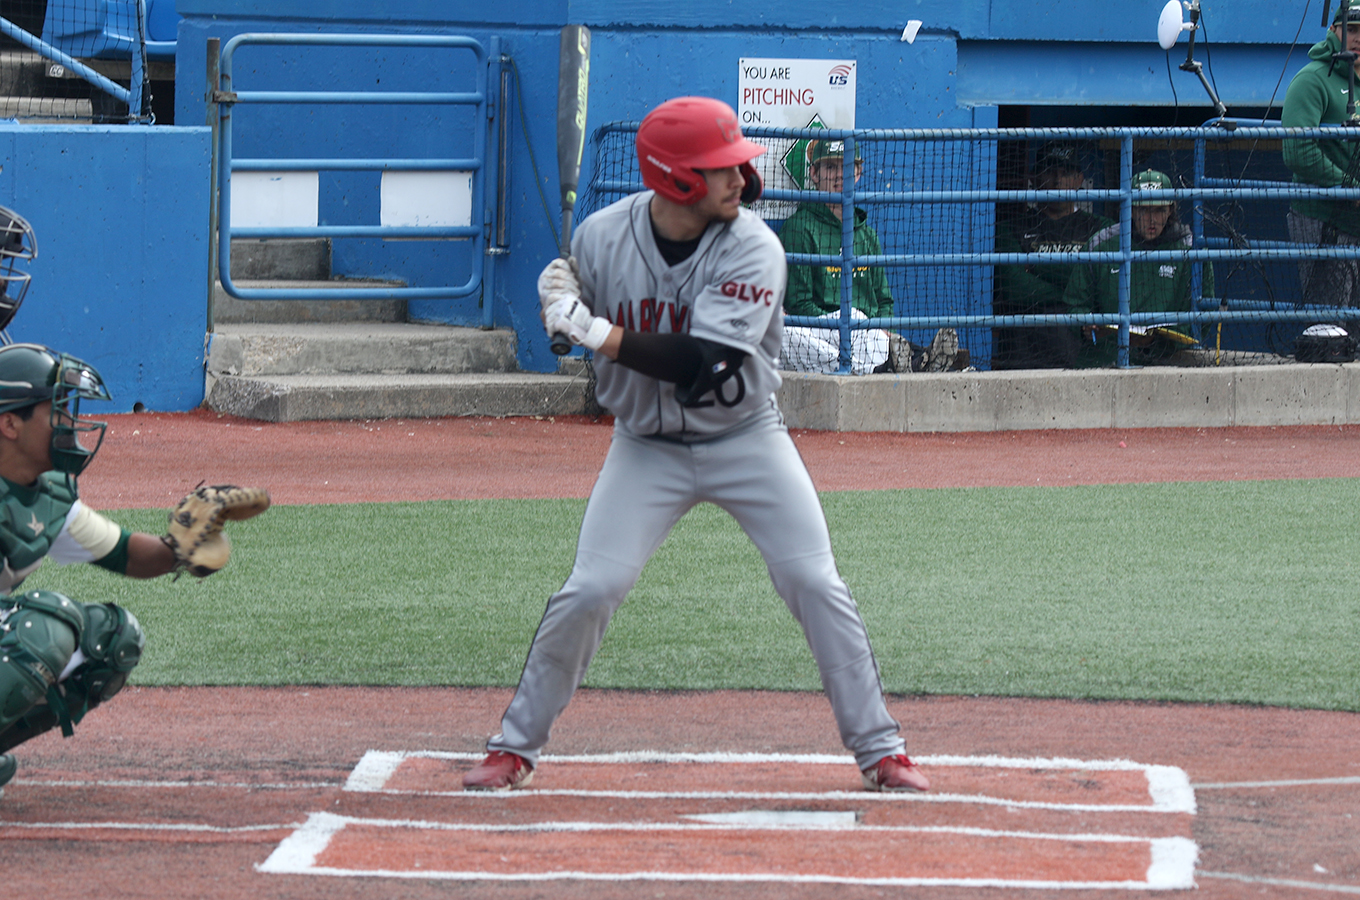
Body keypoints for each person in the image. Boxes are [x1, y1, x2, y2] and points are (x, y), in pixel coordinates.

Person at [462, 96, 928, 794]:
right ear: (675, 179)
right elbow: (574, 285)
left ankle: (882, 749)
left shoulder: (755, 247)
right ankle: (514, 745)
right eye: (722, 168)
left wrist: (589, 330)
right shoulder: (599, 237)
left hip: (746, 437)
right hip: (644, 446)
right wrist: (559, 288)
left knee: (813, 581)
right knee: (592, 587)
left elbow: (703, 363)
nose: (741, 179)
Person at [0, 342, 265, 798]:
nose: (70, 424)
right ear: (9, 424)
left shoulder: (45, 494)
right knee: (42, 628)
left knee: (111, 639)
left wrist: (180, 547)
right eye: (57, 411)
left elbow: (124, 552)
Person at [779, 138, 957, 375]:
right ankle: (914, 361)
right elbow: (799, 304)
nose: (839, 175)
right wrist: (851, 327)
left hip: (871, 336)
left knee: (864, 326)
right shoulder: (800, 227)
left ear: (859, 172)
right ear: (814, 174)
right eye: (831, 167)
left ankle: (904, 361)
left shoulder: (867, 234)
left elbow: (884, 301)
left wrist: (879, 328)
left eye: (847, 167)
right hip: (822, 331)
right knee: (842, 319)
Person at [1062, 169, 1215, 368]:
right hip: (1103, 360)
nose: (1151, 219)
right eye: (1144, 209)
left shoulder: (1192, 251)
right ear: (1131, 209)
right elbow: (1075, 304)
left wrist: (1156, 342)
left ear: (1170, 210)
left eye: (1159, 210)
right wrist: (1086, 324)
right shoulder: (1102, 244)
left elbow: (1204, 315)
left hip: (1168, 364)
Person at [993, 142, 1113, 369]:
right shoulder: (1010, 228)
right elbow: (1014, 288)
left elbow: (1102, 284)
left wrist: (1038, 267)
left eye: (1066, 172)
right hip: (1022, 355)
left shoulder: (1101, 229)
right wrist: (1078, 293)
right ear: (1035, 178)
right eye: (1049, 171)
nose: (1058, 180)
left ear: (1079, 179)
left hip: (1082, 357)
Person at [1281, 3, 1360, 309]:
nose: (1357, 38)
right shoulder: (1311, 79)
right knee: (1329, 323)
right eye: (1351, 29)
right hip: (1321, 219)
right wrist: (1348, 186)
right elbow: (1297, 151)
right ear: (1334, 30)